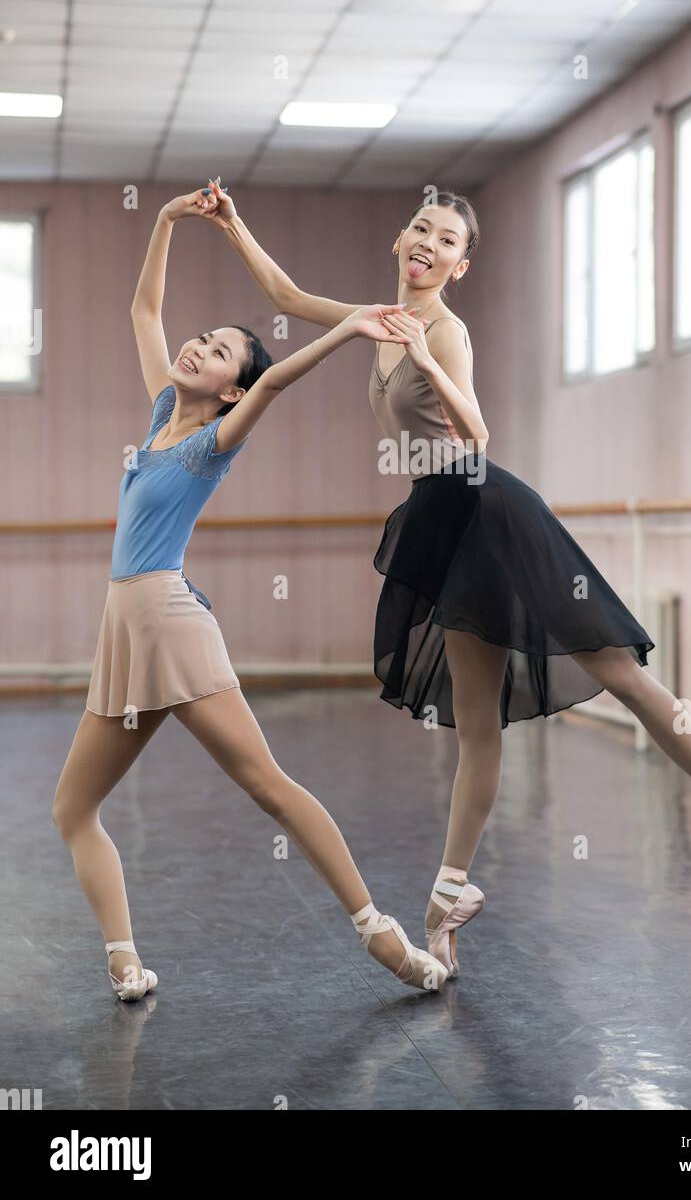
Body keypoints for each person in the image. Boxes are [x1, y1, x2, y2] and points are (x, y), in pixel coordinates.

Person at [199, 178, 691, 982]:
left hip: (491, 509)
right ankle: (447, 901)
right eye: (420, 226)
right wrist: (233, 220)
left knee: (618, 670)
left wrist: (426, 357)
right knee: (475, 727)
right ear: (399, 243)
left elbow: (479, 429)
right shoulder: (374, 321)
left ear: (459, 266)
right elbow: (281, 292)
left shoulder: (445, 332)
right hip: (437, 520)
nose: (429, 241)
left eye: (447, 239)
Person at [52, 188, 449, 1002]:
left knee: (270, 787)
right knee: (73, 809)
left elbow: (274, 388)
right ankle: (124, 957)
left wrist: (341, 331)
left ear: (232, 389)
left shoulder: (211, 441)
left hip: (170, 625)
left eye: (220, 351)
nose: (196, 348)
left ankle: (383, 935)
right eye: (200, 339)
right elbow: (143, 309)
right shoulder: (165, 407)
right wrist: (163, 222)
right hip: (124, 636)